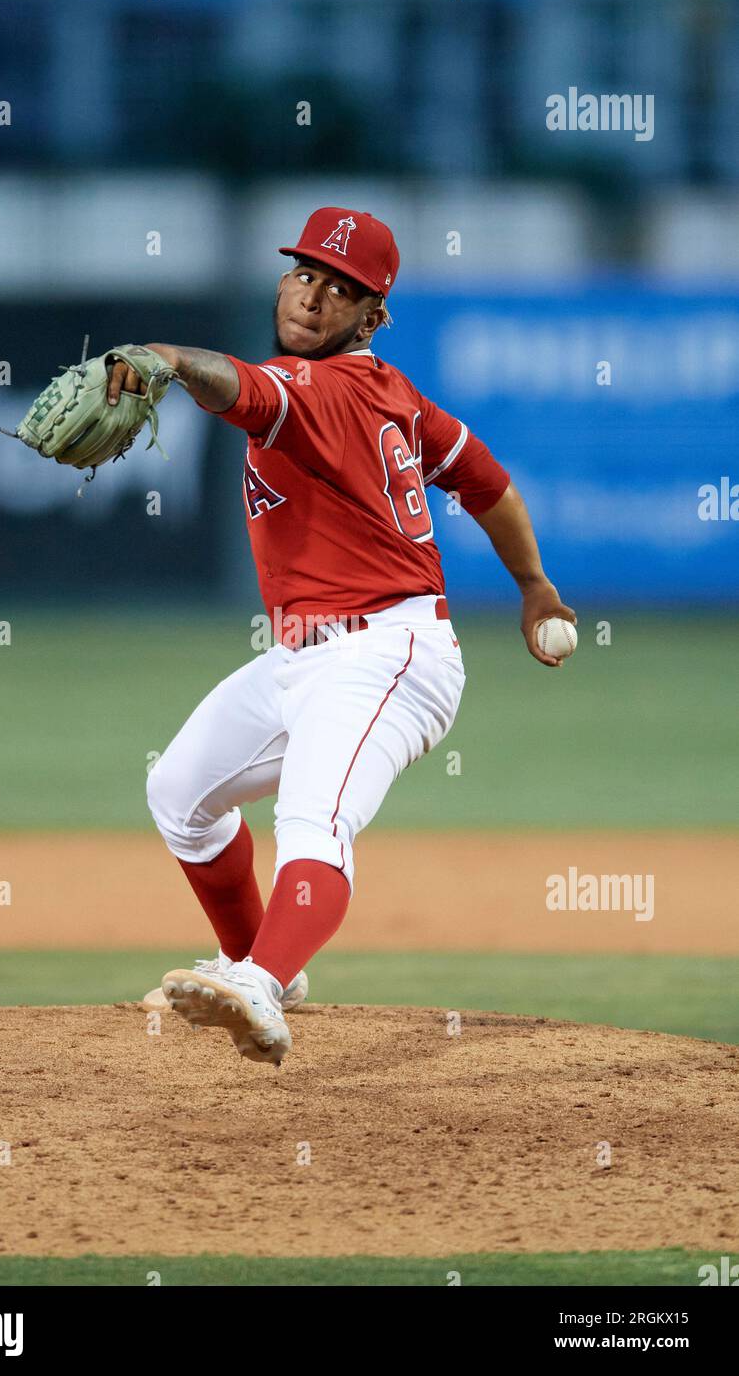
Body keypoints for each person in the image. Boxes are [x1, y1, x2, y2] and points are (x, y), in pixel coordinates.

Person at [107, 207, 576, 1067]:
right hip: (305, 656)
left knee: (313, 822)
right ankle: (259, 964)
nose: (313, 295)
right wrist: (533, 584)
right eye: (304, 273)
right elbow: (486, 483)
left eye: (342, 288)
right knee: (180, 792)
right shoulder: (392, 392)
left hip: (388, 655)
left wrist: (168, 360)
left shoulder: (318, 389)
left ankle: (259, 983)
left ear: (372, 315)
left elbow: (237, 388)